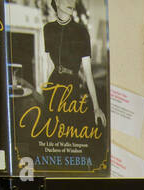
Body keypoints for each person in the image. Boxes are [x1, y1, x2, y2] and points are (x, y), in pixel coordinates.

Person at [41, 0, 106, 128]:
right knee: (50, 129)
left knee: (69, 129)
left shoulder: (81, 31)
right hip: (53, 83)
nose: (72, 2)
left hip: (72, 87)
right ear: (57, 2)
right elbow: (49, 64)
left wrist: (96, 107)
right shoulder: (48, 29)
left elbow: (88, 73)